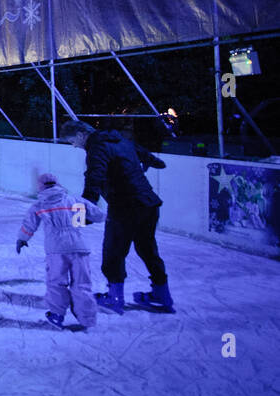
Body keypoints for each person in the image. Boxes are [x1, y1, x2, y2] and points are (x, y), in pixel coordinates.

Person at [61, 119, 171, 313]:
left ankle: (114, 298)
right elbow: (142, 152)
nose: (74, 146)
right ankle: (162, 294)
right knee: (148, 250)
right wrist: (154, 162)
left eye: (72, 141)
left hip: (125, 206)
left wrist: (83, 214)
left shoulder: (97, 147)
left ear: (80, 135)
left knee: (113, 253)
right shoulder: (118, 139)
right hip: (149, 203)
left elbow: (94, 178)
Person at [16, 172, 105, 329]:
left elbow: (29, 224)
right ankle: (87, 319)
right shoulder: (75, 200)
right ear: (57, 184)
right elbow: (98, 215)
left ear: (40, 187)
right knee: (82, 283)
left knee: (56, 282)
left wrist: (22, 239)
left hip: (56, 249)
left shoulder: (39, 205)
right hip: (79, 246)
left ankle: (57, 315)